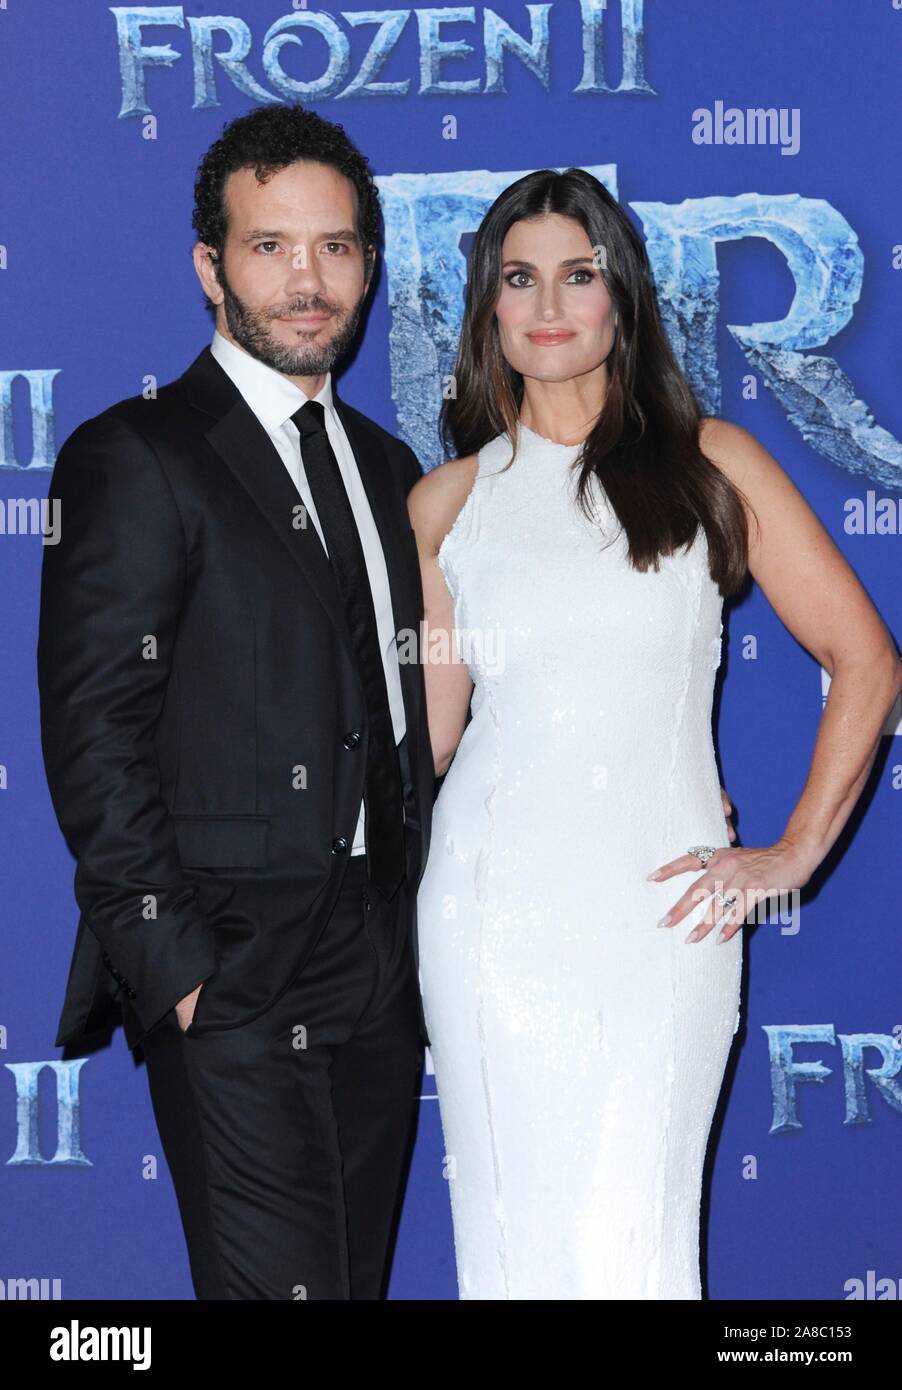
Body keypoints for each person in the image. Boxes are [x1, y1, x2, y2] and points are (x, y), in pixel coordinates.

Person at [407, 167, 902, 1300]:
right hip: (486, 912)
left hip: (660, 909)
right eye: (517, 277)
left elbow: (864, 660)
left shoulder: (709, 460)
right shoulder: (442, 503)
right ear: (485, 304)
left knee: (638, 1245)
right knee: (505, 1246)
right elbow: (427, 738)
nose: (546, 304)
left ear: (620, 299)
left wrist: (790, 854)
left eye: (576, 276)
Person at [37, 104, 435, 1300]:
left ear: (368, 261)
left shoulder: (387, 468)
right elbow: (93, 730)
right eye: (270, 248)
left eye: (334, 247)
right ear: (210, 267)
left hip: (380, 964)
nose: (306, 282)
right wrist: (178, 971)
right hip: (234, 970)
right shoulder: (137, 455)